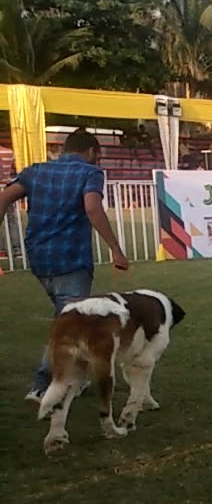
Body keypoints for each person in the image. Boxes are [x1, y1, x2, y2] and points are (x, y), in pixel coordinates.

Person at [0, 128, 130, 405]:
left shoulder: (35, 171)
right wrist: (116, 249)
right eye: (98, 157)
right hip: (71, 259)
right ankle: (42, 385)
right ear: (92, 152)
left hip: (39, 258)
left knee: (69, 320)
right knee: (67, 325)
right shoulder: (90, 173)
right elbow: (92, 208)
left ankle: (73, 380)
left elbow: (4, 198)